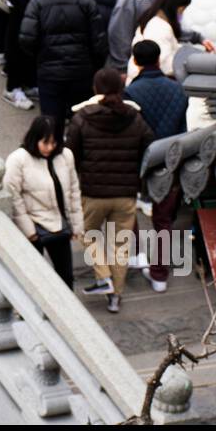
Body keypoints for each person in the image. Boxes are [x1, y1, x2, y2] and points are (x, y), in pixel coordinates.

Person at [67, 67, 155, 313]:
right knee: (120, 245)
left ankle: (103, 276)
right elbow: (149, 146)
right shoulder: (135, 117)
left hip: (92, 192)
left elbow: (70, 154)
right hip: (126, 193)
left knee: (87, 233)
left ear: (95, 89)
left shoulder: (82, 118)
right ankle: (115, 296)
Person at [122, 39, 189, 292]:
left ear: (135, 61)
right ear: (159, 59)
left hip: (139, 161)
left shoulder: (131, 92)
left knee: (128, 209)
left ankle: (137, 255)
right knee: (163, 219)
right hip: (170, 160)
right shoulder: (178, 90)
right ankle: (160, 275)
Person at [19, 0, 107, 130]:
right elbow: (99, 41)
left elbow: (27, 39)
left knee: (51, 123)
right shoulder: (86, 2)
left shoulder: (38, 2)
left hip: (49, 72)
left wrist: (41, 57)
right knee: (81, 122)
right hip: (81, 71)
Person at [5, 115, 84, 287]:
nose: (50, 147)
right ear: (35, 138)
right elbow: (13, 195)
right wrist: (29, 230)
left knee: (66, 277)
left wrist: (77, 224)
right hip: (34, 227)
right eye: (45, 142)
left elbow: (73, 190)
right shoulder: (18, 159)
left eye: (54, 143)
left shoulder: (65, 156)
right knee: (32, 279)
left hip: (59, 226)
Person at [108, 0, 213, 73]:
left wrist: (198, 38)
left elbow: (172, 26)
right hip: (133, 67)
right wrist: (122, 68)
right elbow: (119, 35)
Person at [127, 0, 194, 81]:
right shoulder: (159, 28)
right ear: (175, 7)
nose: (181, 13)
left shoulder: (155, 18)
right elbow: (164, 65)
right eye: (182, 10)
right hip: (148, 83)